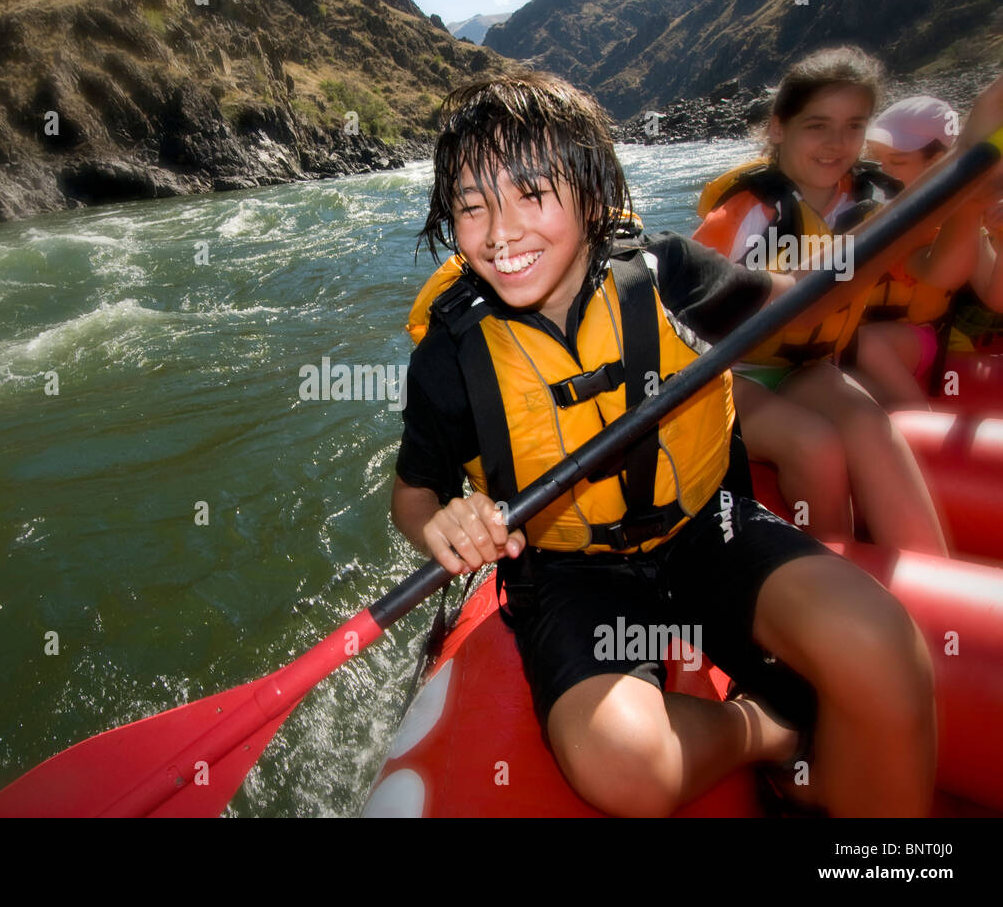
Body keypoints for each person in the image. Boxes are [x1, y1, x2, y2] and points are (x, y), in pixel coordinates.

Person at [385, 68, 1003, 817]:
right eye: (473, 206)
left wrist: (963, 178)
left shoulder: (666, 273)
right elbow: (414, 492)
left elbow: (820, 291)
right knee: (624, 765)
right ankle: (766, 731)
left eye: (532, 193)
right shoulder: (451, 355)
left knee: (881, 641)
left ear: (590, 191)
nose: (502, 232)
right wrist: (439, 523)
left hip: (707, 526)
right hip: (573, 573)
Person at [693, 47, 945, 552]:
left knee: (870, 424)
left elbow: (931, 280)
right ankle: (838, 583)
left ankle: (934, 590)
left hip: (807, 365)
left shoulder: (868, 202)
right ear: (779, 128)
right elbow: (680, 303)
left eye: (853, 126)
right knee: (816, 447)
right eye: (817, 126)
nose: (836, 144)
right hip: (727, 375)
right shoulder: (745, 213)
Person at [856, 96, 1003, 406]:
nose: (882, 172)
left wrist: (1001, 239)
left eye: (896, 162)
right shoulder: (871, 209)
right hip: (878, 352)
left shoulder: (963, 219)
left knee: (867, 342)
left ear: (937, 164)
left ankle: (921, 419)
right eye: (877, 160)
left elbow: (995, 296)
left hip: (913, 342)